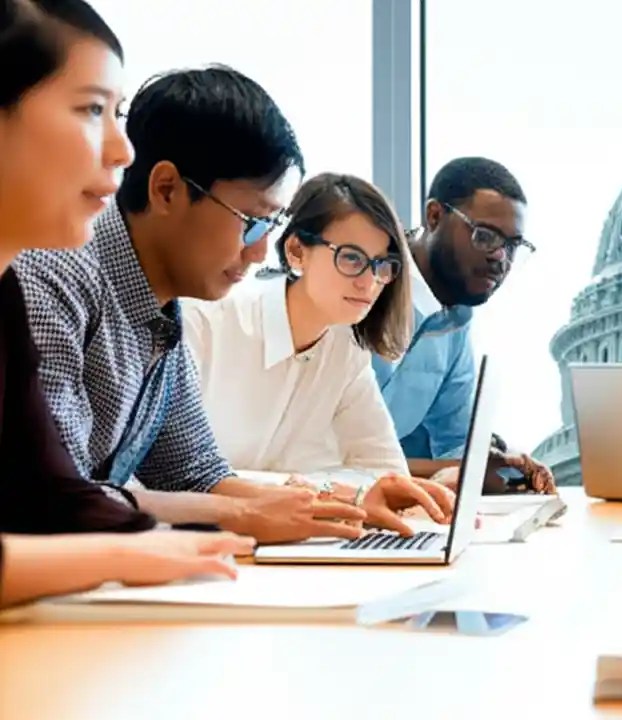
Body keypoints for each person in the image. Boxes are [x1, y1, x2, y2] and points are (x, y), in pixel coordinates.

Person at [12, 64, 374, 543]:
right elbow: (63, 500)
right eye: (251, 221)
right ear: (166, 190)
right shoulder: (54, 275)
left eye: (271, 225)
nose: (260, 251)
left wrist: (348, 508)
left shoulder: (162, 308)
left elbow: (196, 472)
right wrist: (238, 516)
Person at [0, 0, 252, 608]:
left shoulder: (3, 289)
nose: (123, 150)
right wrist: (129, 551)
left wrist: (190, 546)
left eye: (118, 113)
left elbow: (55, 493)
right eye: (92, 109)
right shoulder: (49, 277)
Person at [183, 172, 458, 532]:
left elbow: (385, 473)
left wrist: (317, 487)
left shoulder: (347, 352)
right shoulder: (204, 323)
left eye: (381, 264)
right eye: (351, 258)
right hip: (193, 542)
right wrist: (324, 487)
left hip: (292, 548)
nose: (369, 281)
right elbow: (176, 477)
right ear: (296, 251)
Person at [377, 156, 553, 493]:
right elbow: (337, 456)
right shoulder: (366, 287)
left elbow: (455, 445)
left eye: (512, 246)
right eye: (485, 236)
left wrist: (503, 472)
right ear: (434, 216)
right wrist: (467, 470)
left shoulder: (456, 324)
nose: (500, 257)